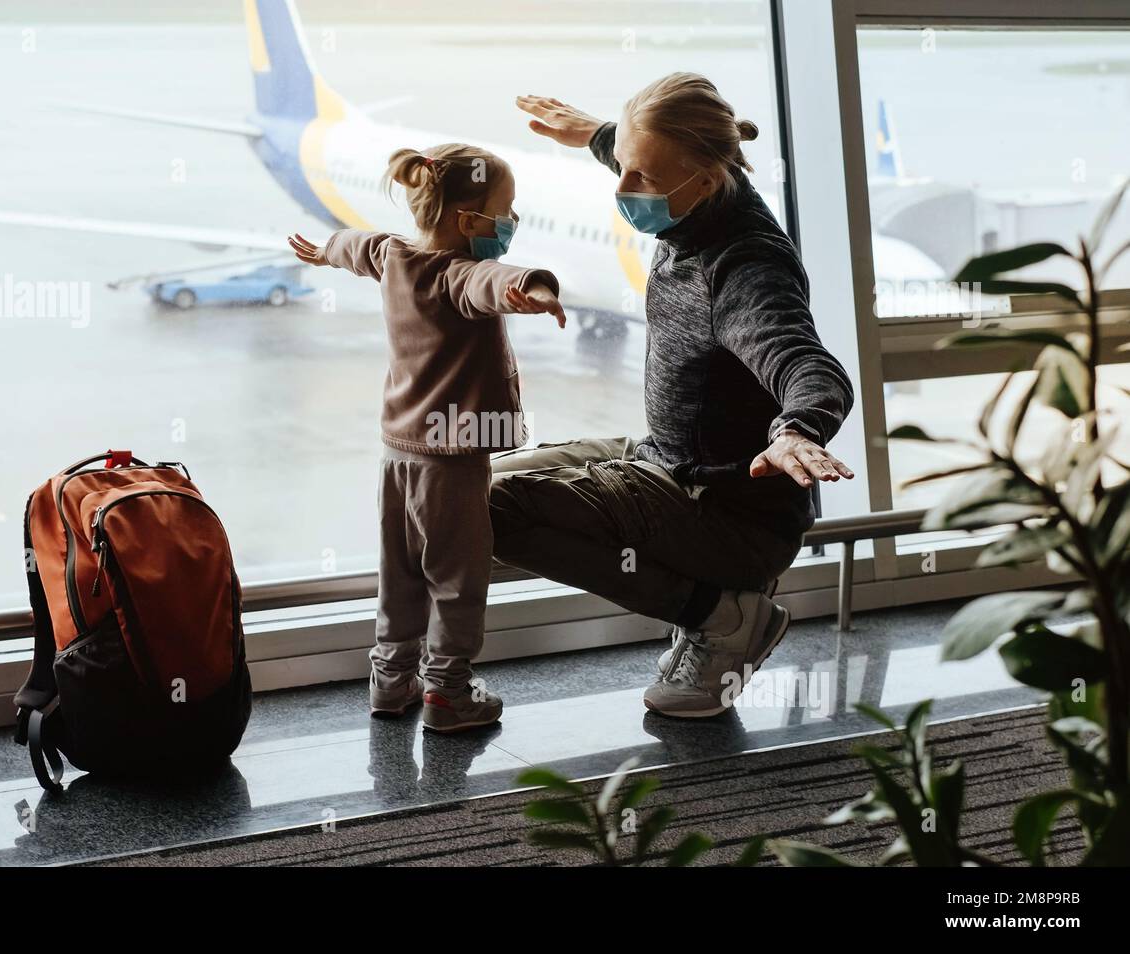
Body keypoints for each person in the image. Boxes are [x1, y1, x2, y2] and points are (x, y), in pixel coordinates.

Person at [491, 73, 856, 718]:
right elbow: (651, 154)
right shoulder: (708, 182)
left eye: (642, 180)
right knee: (464, 480)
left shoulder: (745, 266)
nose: (623, 190)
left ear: (706, 180)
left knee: (492, 509)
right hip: (671, 456)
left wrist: (800, 427)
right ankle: (714, 602)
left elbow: (802, 358)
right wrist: (596, 135)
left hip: (727, 508)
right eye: (624, 167)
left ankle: (723, 616)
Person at [289, 143, 565, 733]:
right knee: (457, 577)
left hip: (396, 451)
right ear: (469, 221)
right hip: (452, 457)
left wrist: (325, 251)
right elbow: (491, 281)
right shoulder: (457, 273)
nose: (512, 222)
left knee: (401, 570)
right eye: (506, 210)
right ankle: (447, 692)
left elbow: (354, 243)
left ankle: (391, 682)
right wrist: (533, 287)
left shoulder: (393, 256)